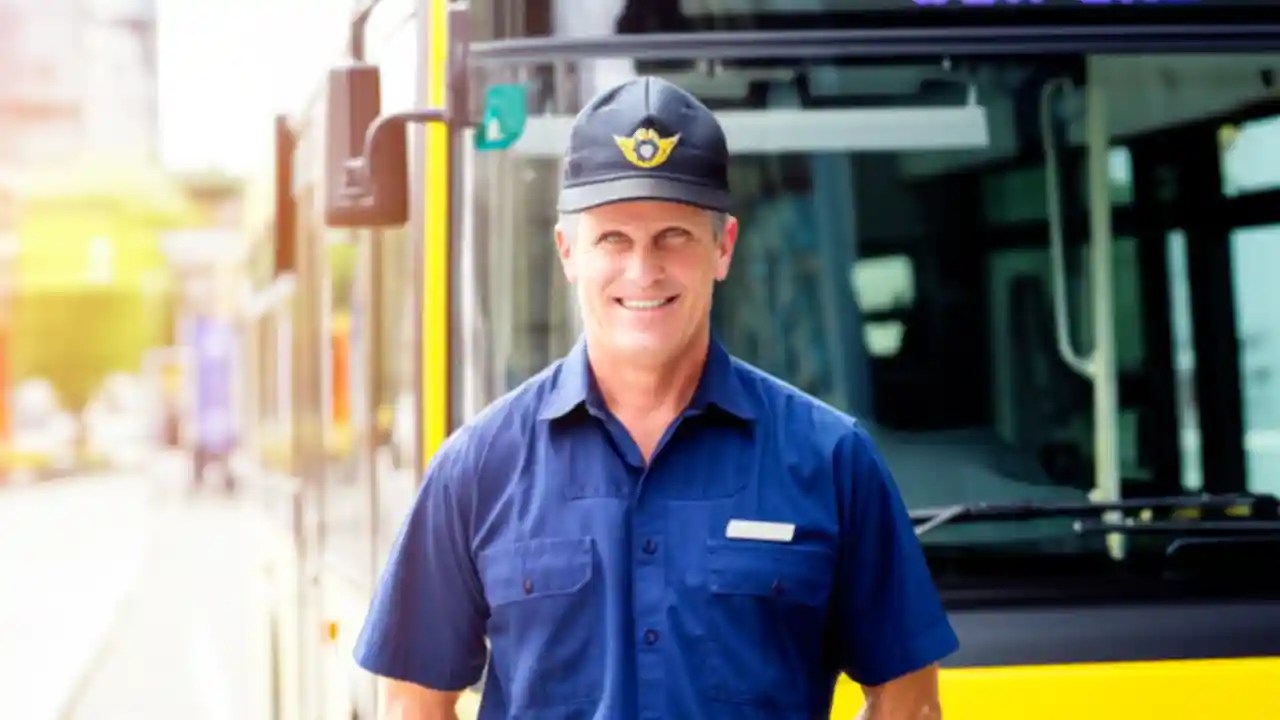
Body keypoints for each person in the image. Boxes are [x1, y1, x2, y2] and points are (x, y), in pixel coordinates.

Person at [353, 75, 959, 720]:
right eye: (614, 238)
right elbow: (412, 703)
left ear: (723, 247)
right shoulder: (477, 468)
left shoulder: (832, 459)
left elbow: (909, 699)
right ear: (568, 251)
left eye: (674, 235)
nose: (643, 271)